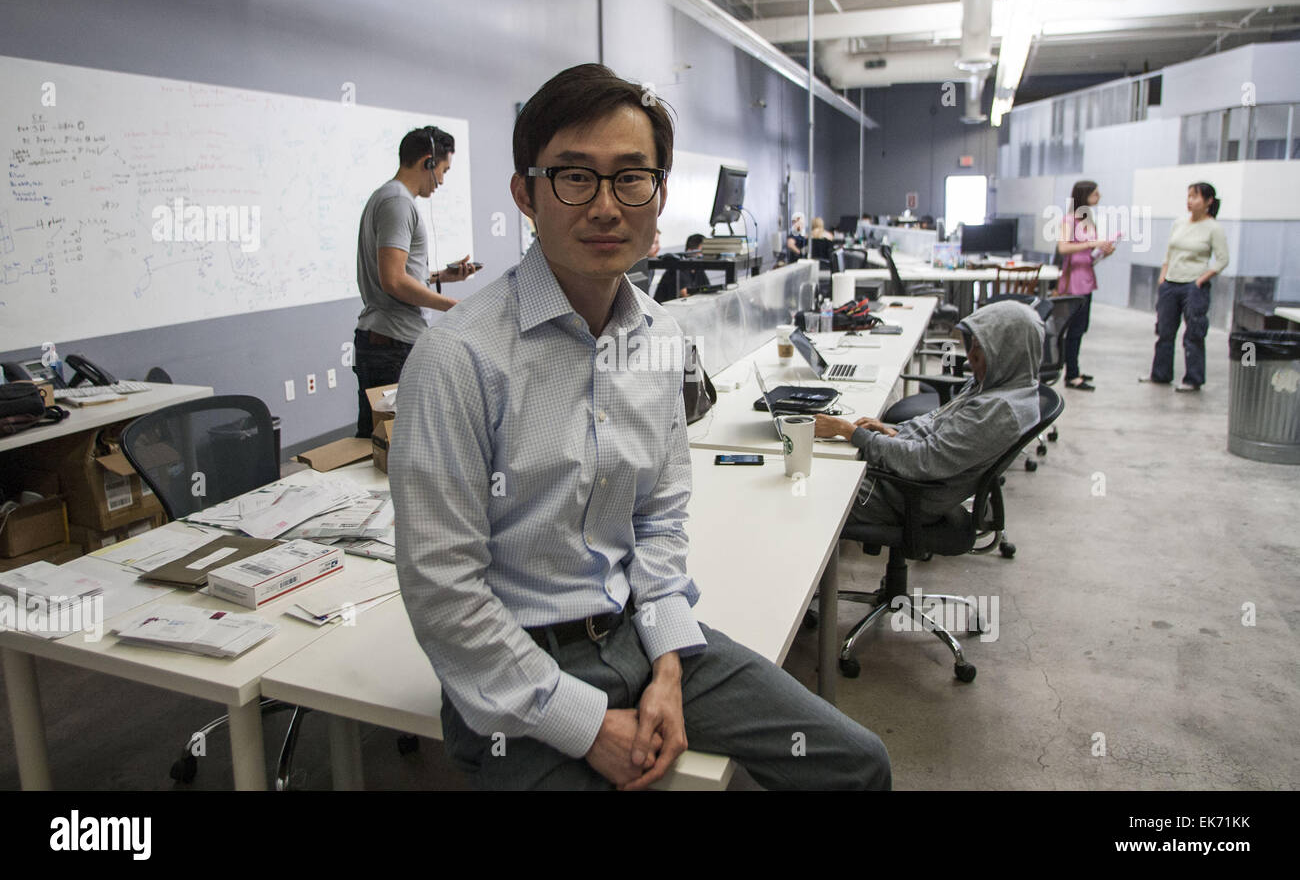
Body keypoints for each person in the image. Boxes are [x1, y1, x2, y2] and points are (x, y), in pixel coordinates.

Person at [391, 63, 890, 791]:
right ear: (525, 194)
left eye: (632, 178)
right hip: (513, 673)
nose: (604, 206)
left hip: (636, 629)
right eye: (573, 177)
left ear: (658, 195)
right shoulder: (457, 357)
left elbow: (659, 516)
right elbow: (442, 589)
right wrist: (586, 724)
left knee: (855, 764)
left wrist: (665, 663)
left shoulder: (658, 333)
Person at [814, 300, 1043, 526]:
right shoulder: (1003, 384)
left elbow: (924, 460)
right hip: (900, 477)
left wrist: (850, 432)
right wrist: (892, 432)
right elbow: (938, 434)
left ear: (1010, 352)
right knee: (814, 462)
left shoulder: (999, 412)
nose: (970, 358)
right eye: (972, 345)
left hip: (903, 495)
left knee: (802, 493)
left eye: (981, 349)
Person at [352, 125, 477, 436]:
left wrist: (441, 276)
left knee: (383, 439)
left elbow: (398, 274)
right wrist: (453, 306)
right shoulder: (398, 202)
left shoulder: (387, 196)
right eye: (443, 170)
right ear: (428, 162)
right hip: (392, 343)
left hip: (386, 339)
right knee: (391, 440)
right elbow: (393, 281)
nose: (442, 181)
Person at [1148, 182, 1229, 391]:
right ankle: (1160, 374)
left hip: (1193, 286)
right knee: (1164, 331)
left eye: (1195, 197)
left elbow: (1222, 260)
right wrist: (1163, 276)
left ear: (1208, 201)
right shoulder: (1179, 223)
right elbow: (1169, 252)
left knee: (1194, 334)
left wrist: (1201, 279)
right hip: (1170, 284)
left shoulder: (1214, 228)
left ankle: (1193, 379)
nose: (1190, 201)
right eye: (1189, 196)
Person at [1056, 180, 1117, 391]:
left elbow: (1090, 257)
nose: (1099, 196)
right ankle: (1071, 374)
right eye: (1095, 193)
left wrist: (1104, 252)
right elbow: (1063, 248)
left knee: (1081, 328)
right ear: (1084, 196)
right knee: (1073, 328)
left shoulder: (1089, 221)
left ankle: (1074, 369)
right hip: (1073, 281)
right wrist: (1092, 243)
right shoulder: (1069, 221)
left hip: (1087, 278)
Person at [651, 232, 709, 302]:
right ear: (690, 251)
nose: (704, 255)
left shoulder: (698, 269)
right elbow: (686, 294)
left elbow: (707, 288)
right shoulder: (678, 269)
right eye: (701, 251)